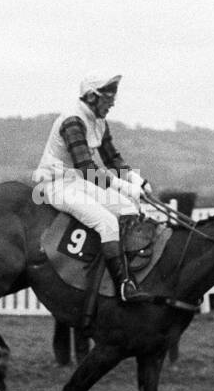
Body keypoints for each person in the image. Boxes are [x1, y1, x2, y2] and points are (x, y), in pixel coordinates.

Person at [32, 74, 154, 301]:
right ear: (91, 97)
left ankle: (125, 271)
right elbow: (86, 167)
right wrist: (125, 187)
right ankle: (122, 287)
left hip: (78, 181)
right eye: (108, 99)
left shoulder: (99, 121)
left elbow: (112, 159)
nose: (112, 104)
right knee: (106, 222)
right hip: (55, 184)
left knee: (128, 208)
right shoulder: (72, 121)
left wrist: (138, 182)